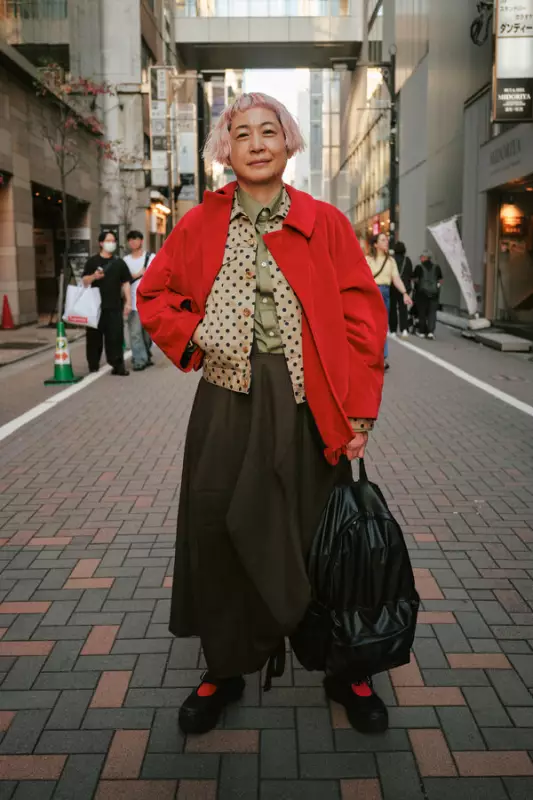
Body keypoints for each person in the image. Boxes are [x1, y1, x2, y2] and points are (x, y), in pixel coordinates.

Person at [138, 92, 389, 737]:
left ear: (288, 143)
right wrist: (195, 335)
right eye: (240, 132)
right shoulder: (197, 223)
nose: (254, 142)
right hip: (225, 398)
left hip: (311, 399)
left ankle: (346, 666)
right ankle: (224, 667)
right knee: (217, 528)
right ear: (226, 148)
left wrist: (359, 413)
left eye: (268, 131)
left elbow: (363, 320)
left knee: (321, 531)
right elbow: (154, 293)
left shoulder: (325, 221)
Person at [82, 230, 132, 376]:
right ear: (101, 243)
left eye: (113, 241)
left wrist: (128, 302)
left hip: (114, 305)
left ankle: (118, 365)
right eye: (108, 241)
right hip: (94, 307)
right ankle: (93, 364)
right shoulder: (92, 262)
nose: (111, 244)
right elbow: (84, 281)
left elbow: (126, 283)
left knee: (115, 337)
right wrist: (94, 276)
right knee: (93, 338)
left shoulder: (119, 263)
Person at [367, 232, 412, 370]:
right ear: (375, 244)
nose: (386, 242)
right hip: (372, 292)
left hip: (385, 293)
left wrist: (405, 293)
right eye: (383, 240)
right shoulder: (367, 259)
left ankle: (382, 358)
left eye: (386, 240)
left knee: (382, 326)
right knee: (371, 326)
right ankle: (371, 356)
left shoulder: (390, 261)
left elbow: (396, 279)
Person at [124, 230, 155, 371]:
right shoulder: (125, 261)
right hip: (133, 302)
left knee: (147, 334)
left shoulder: (151, 258)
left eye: (135, 239)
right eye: (130, 240)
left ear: (141, 241)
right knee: (135, 333)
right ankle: (139, 360)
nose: (133, 242)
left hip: (149, 303)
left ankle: (146, 354)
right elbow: (124, 280)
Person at [414, 250, 443, 340]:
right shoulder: (437, 267)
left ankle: (422, 331)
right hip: (434, 294)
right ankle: (431, 332)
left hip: (422, 294)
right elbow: (440, 280)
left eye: (421, 257)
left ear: (425, 257)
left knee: (422, 312)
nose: (420, 258)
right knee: (432, 313)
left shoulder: (419, 267)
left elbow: (415, 279)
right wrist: (437, 287)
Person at [389, 241, 413, 338]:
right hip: (405, 287)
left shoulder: (391, 260)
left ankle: (393, 330)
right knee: (403, 309)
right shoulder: (407, 260)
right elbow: (410, 274)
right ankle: (404, 330)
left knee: (393, 309)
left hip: (392, 286)